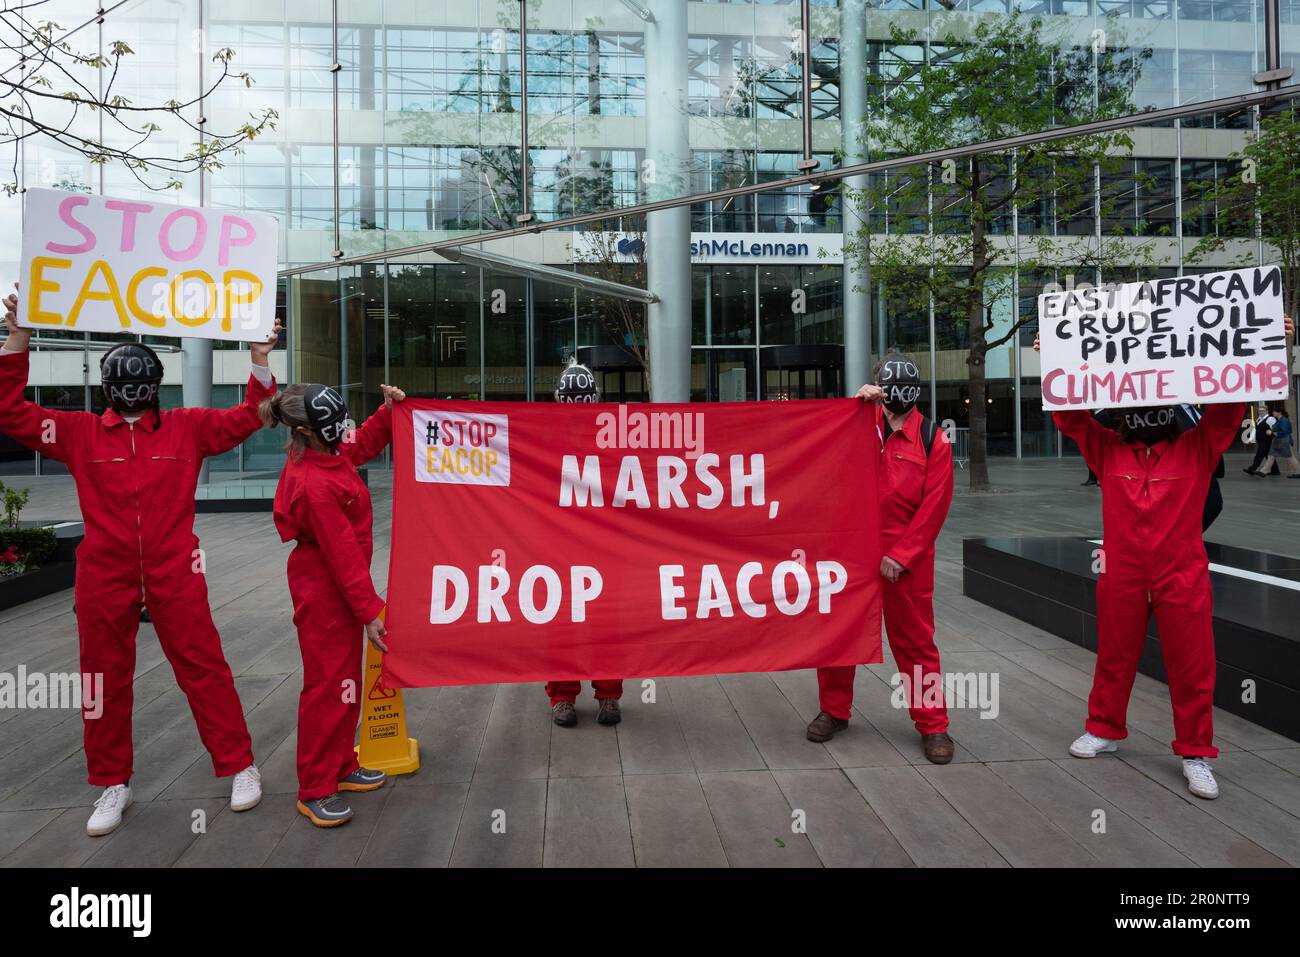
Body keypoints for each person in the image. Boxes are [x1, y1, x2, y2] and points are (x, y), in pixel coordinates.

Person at [0, 286, 279, 836]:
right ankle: (112, 782)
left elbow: (252, 416)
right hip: (104, 572)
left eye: (138, 385)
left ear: (153, 388)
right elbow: (9, 410)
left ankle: (239, 764)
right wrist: (19, 335)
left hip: (175, 567)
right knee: (102, 678)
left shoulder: (187, 427)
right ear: (109, 389)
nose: (130, 394)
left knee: (204, 666)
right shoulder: (79, 433)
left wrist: (259, 360)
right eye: (123, 386)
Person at [1035, 317, 1294, 801]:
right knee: (1114, 655)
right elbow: (1069, 418)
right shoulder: (1108, 450)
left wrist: (1269, 344)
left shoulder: (1196, 448)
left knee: (1193, 665)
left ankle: (1196, 753)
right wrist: (1055, 357)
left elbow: (1229, 405)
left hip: (1182, 573)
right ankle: (1105, 729)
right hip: (1122, 572)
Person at [264, 381, 405, 828]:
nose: (342, 427)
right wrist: (370, 613)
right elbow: (340, 555)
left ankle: (341, 765)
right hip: (323, 590)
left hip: (342, 584)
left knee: (344, 682)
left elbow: (359, 443)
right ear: (306, 431)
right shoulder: (311, 484)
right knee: (326, 686)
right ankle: (314, 787)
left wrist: (385, 412)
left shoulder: (328, 450)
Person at [809, 353, 956, 764]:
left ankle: (933, 724)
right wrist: (854, 407)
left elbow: (935, 507)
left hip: (906, 560)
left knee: (916, 644)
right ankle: (834, 711)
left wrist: (903, 554)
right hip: (852, 552)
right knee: (839, 635)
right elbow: (827, 456)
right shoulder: (860, 423)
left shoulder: (932, 439)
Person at [544, 359, 624, 727]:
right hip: (562, 548)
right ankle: (564, 697)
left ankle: (606, 695)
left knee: (604, 623)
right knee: (563, 624)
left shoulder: (615, 437)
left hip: (602, 548)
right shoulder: (544, 437)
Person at [1256, 408, 1299, 478]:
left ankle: (1298, 472)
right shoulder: (1280, 420)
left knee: (1290, 457)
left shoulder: (1283, 420)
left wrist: (1272, 432)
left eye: (1274, 412)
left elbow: (1284, 432)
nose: (1273, 413)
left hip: (1284, 442)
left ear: (1279, 412)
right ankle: (1263, 471)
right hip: (1278, 441)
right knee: (1271, 456)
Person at [1243, 405, 1278, 476]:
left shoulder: (1270, 419)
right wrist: (1251, 439)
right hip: (1260, 440)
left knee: (1259, 454)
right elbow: (1255, 430)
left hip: (1267, 440)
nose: (1261, 412)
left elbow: (1275, 428)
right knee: (1268, 455)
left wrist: (1271, 431)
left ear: (1266, 411)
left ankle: (1252, 469)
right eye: (1260, 411)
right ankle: (1275, 471)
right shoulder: (1259, 419)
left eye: (1263, 411)